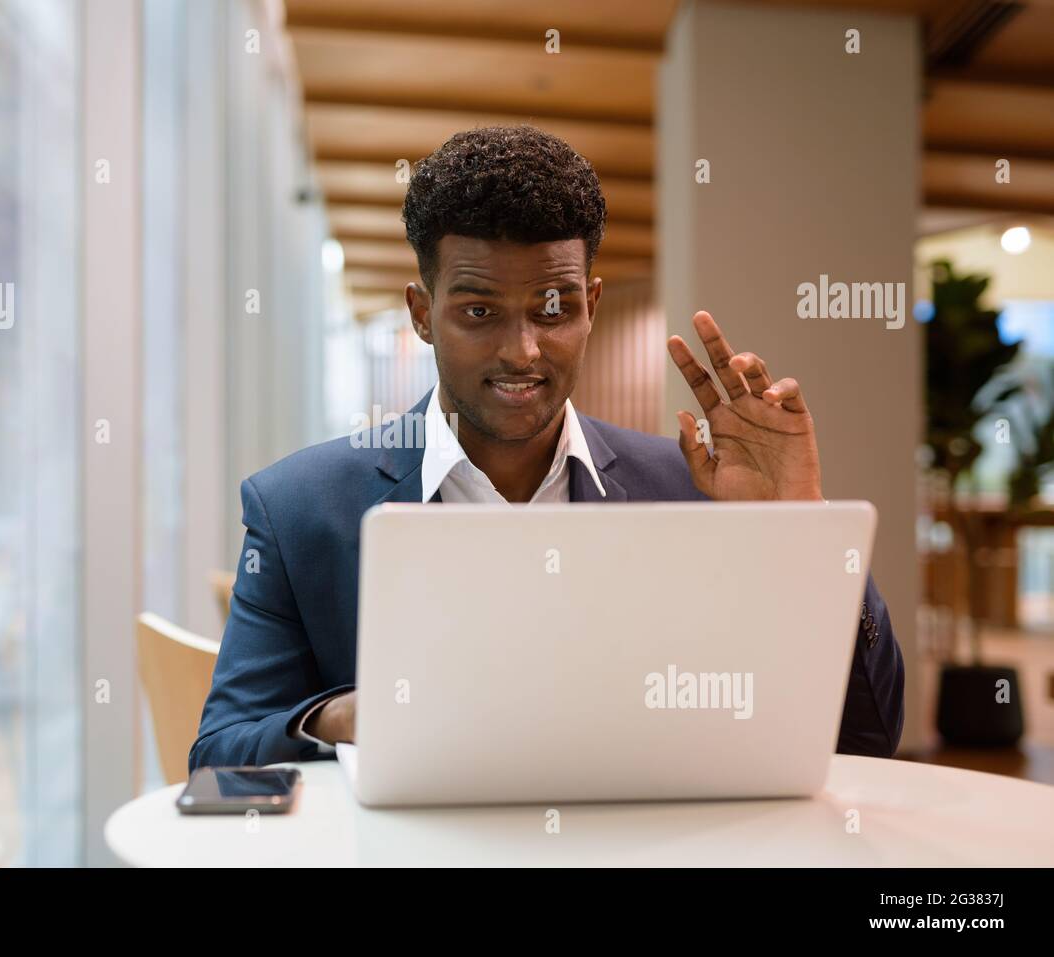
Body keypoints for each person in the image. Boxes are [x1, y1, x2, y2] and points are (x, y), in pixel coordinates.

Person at [188, 125, 904, 770]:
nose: (521, 351)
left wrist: (804, 531)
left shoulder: (688, 488)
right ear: (421, 314)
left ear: (590, 306)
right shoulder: (299, 508)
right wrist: (344, 717)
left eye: (553, 309)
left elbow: (868, 740)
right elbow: (220, 753)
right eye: (478, 312)